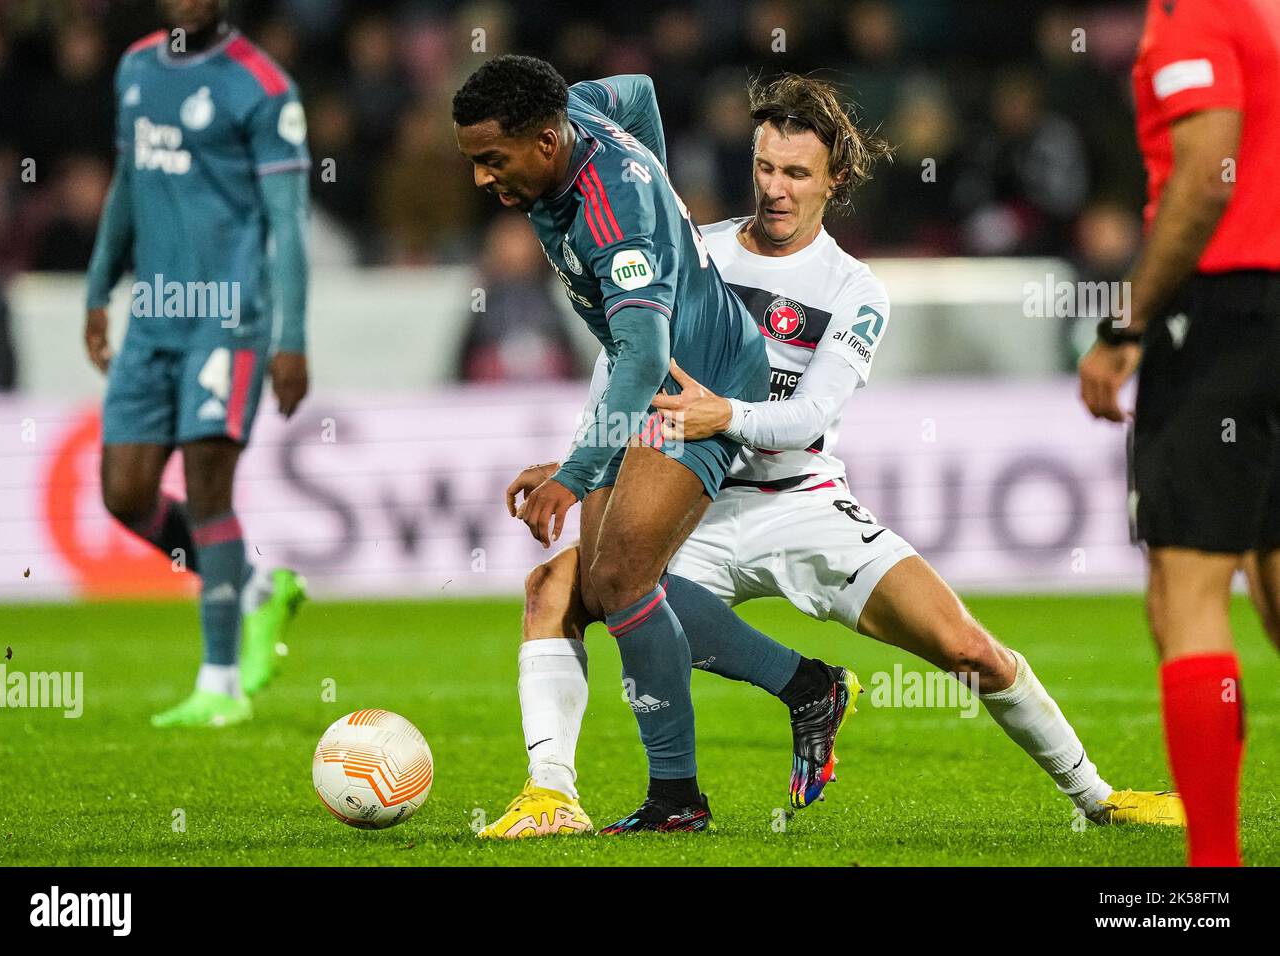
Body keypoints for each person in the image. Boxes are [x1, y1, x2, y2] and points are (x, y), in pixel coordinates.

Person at [485, 74, 1185, 839]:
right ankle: (553, 793)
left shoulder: (855, 289)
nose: (775, 190)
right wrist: (575, 459)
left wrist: (730, 413)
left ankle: (1097, 794)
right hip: (695, 507)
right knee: (559, 585)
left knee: (966, 648)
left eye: (796, 174)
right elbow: (626, 356)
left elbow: (815, 414)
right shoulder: (702, 248)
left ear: (834, 180)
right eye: (764, 168)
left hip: (803, 502)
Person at [454, 56, 854, 833]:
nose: (480, 180)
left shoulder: (615, 220)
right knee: (603, 586)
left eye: (491, 161)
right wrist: (669, 206)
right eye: (472, 159)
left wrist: (575, 474)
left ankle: (677, 799)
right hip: (651, 374)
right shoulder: (574, 112)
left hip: (698, 381)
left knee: (624, 576)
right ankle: (805, 687)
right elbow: (639, 88)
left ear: (544, 142)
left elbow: (640, 359)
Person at [1078, 0, 1280, 868]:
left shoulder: (1196, 12)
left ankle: (1215, 879)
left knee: (1186, 593)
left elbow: (1206, 176)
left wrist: (1127, 326)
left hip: (1230, 312)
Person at [83, 0, 309, 728]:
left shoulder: (263, 87)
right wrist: (98, 285)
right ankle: (254, 584)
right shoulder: (137, 67)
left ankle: (220, 685)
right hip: (150, 320)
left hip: (228, 320)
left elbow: (288, 225)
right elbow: (128, 184)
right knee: (125, 494)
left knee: (209, 491)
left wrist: (291, 338)